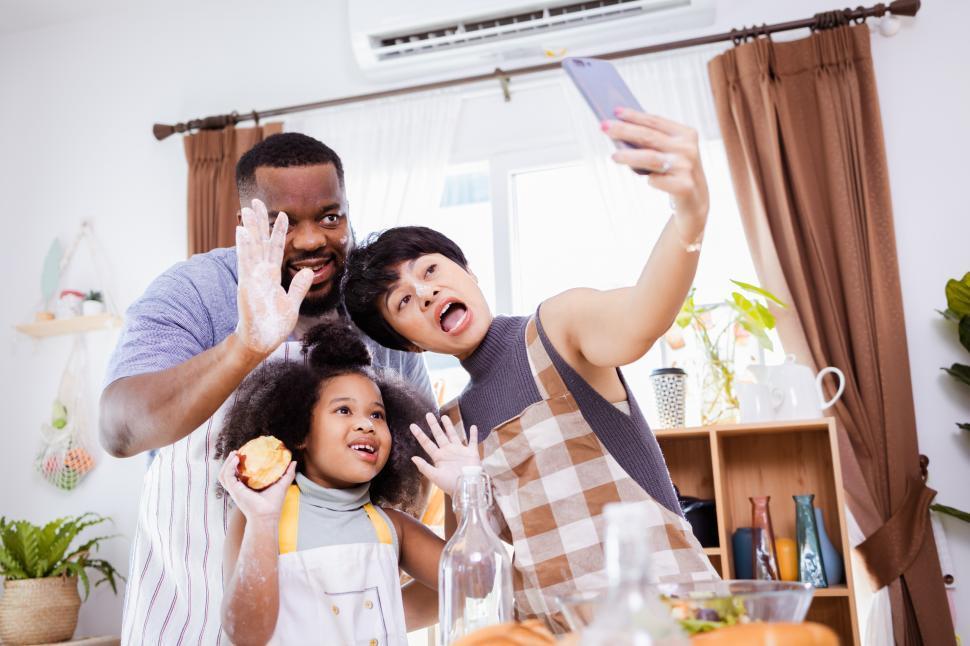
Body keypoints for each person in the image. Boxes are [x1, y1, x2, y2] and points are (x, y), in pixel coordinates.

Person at [342, 109, 719, 624]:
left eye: (430, 270)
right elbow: (471, 581)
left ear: (467, 270)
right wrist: (343, 618)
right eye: (403, 302)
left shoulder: (557, 330)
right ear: (406, 346)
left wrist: (689, 214)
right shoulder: (452, 430)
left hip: (672, 623)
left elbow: (642, 318)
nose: (426, 292)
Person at [99, 133, 433, 644]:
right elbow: (120, 430)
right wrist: (244, 347)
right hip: (191, 619)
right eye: (283, 222)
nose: (309, 241)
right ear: (245, 224)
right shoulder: (195, 293)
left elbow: (414, 465)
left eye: (329, 217)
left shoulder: (373, 308)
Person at [215, 323, 476, 646]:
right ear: (300, 432)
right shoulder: (259, 517)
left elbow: (471, 584)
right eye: (343, 410)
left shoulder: (390, 526)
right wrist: (263, 520)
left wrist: (461, 492)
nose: (366, 424)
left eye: (377, 415)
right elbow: (245, 633)